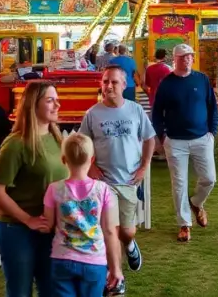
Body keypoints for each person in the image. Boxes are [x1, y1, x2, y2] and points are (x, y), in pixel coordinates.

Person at [79, 66, 155, 294]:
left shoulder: (135, 110)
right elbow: (81, 142)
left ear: (124, 85)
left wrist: (144, 166)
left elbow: (150, 138)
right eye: (104, 82)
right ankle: (114, 279)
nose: (108, 86)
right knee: (109, 229)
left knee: (126, 231)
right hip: (104, 183)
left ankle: (130, 244)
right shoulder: (93, 113)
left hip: (130, 181)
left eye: (113, 82)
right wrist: (90, 165)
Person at [0, 81, 66, 297]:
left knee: (51, 290)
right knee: (19, 292)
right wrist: (27, 219)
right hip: (18, 230)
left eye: (56, 99)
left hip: (52, 229)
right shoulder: (16, 144)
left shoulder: (56, 138)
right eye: (50, 100)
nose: (57, 105)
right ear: (34, 104)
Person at [151, 43, 218, 242]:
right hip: (175, 140)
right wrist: (162, 136)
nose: (187, 59)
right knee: (179, 183)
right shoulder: (167, 83)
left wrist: (212, 132)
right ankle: (184, 224)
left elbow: (212, 107)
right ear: (175, 60)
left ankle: (196, 202)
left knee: (210, 178)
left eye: (189, 56)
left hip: (202, 138)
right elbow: (157, 113)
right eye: (182, 57)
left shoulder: (202, 79)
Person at [43, 133, 123, 297]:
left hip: (62, 259)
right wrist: (116, 268)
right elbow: (109, 231)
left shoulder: (54, 189)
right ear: (92, 159)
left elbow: (48, 224)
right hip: (94, 262)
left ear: (64, 159)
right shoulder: (103, 190)